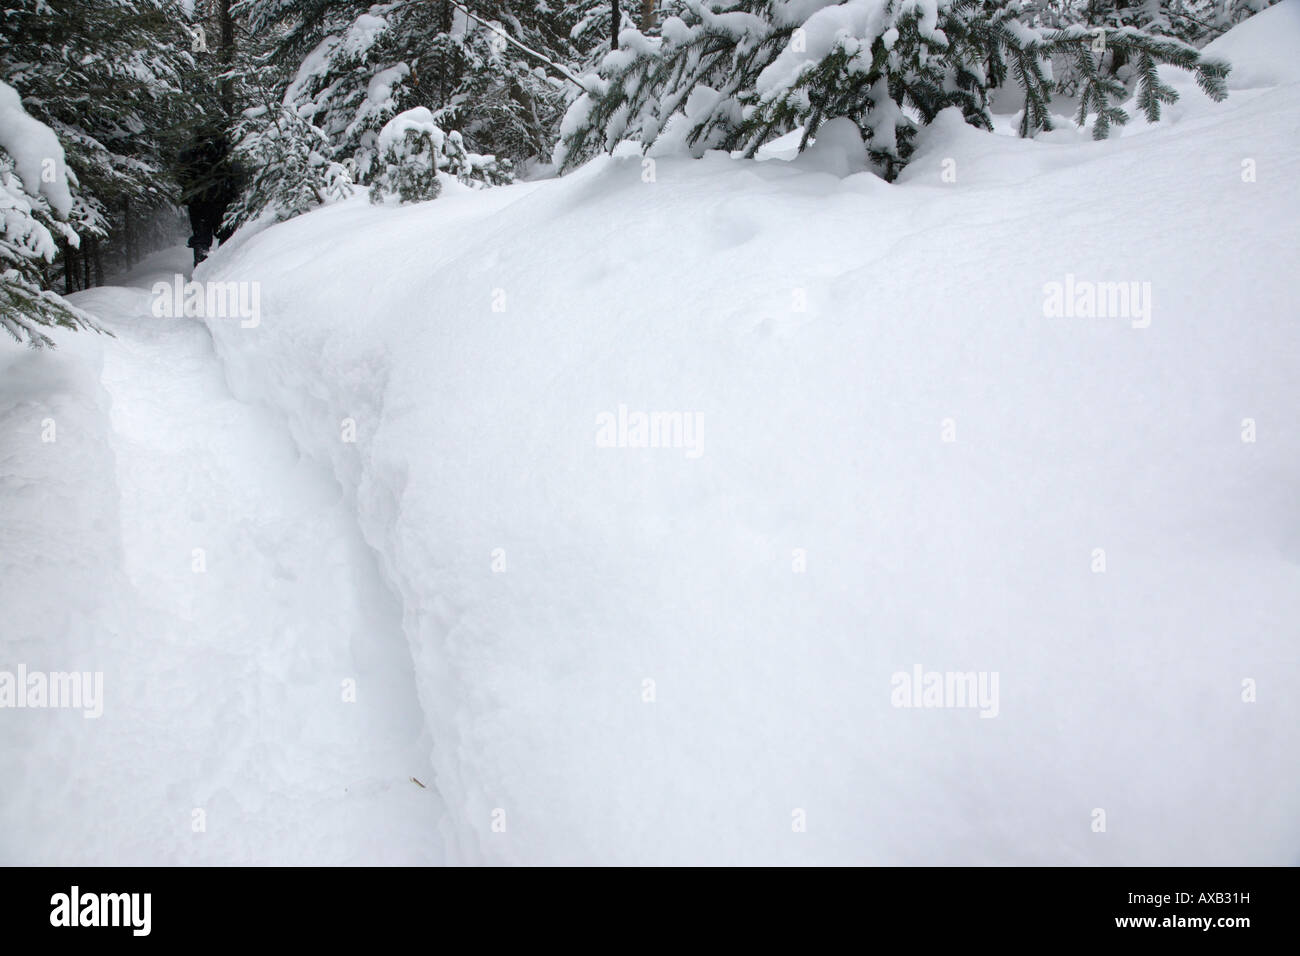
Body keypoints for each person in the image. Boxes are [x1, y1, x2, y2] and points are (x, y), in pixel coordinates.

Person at [177, 122, 238, 266]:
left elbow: (180, 173)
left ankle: (200, 267)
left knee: (201, 238)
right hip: (222, 199)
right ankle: (226, 268)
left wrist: (189, 189)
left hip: (197, 202)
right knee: (226, 235)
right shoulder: (225, 147)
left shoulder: (189, 148)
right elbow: (236, 170)